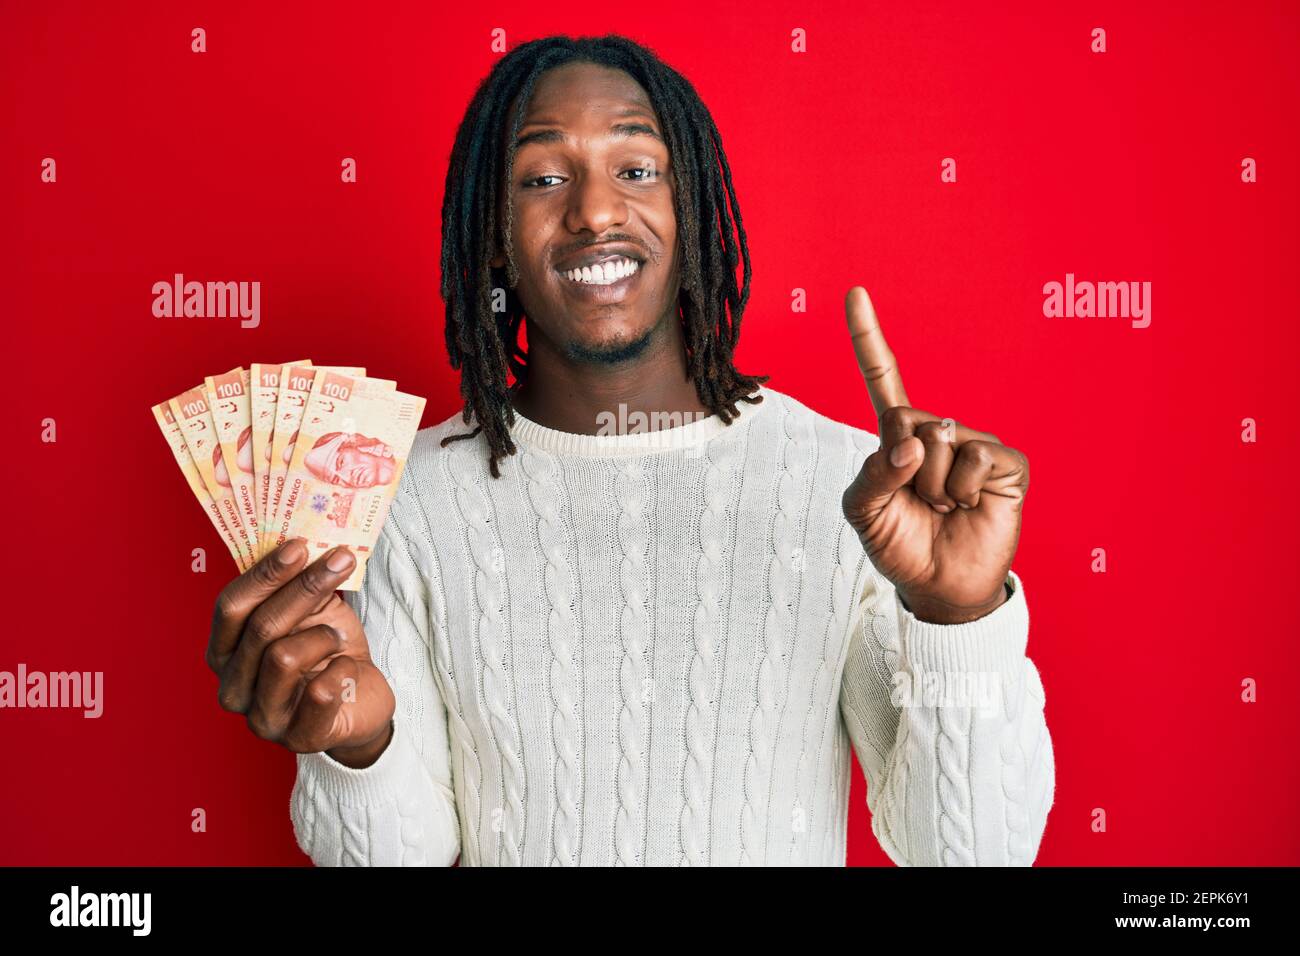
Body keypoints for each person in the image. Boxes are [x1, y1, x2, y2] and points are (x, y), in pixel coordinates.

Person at [206, 34, 1054, 866]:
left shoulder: (849, 490)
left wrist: (959, 619)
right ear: (494, 234)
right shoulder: (409, 502)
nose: (596, 211)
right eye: (544, 178)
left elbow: (973, 853)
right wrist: (360, 748)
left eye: (637, 170)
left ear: (690, 212)